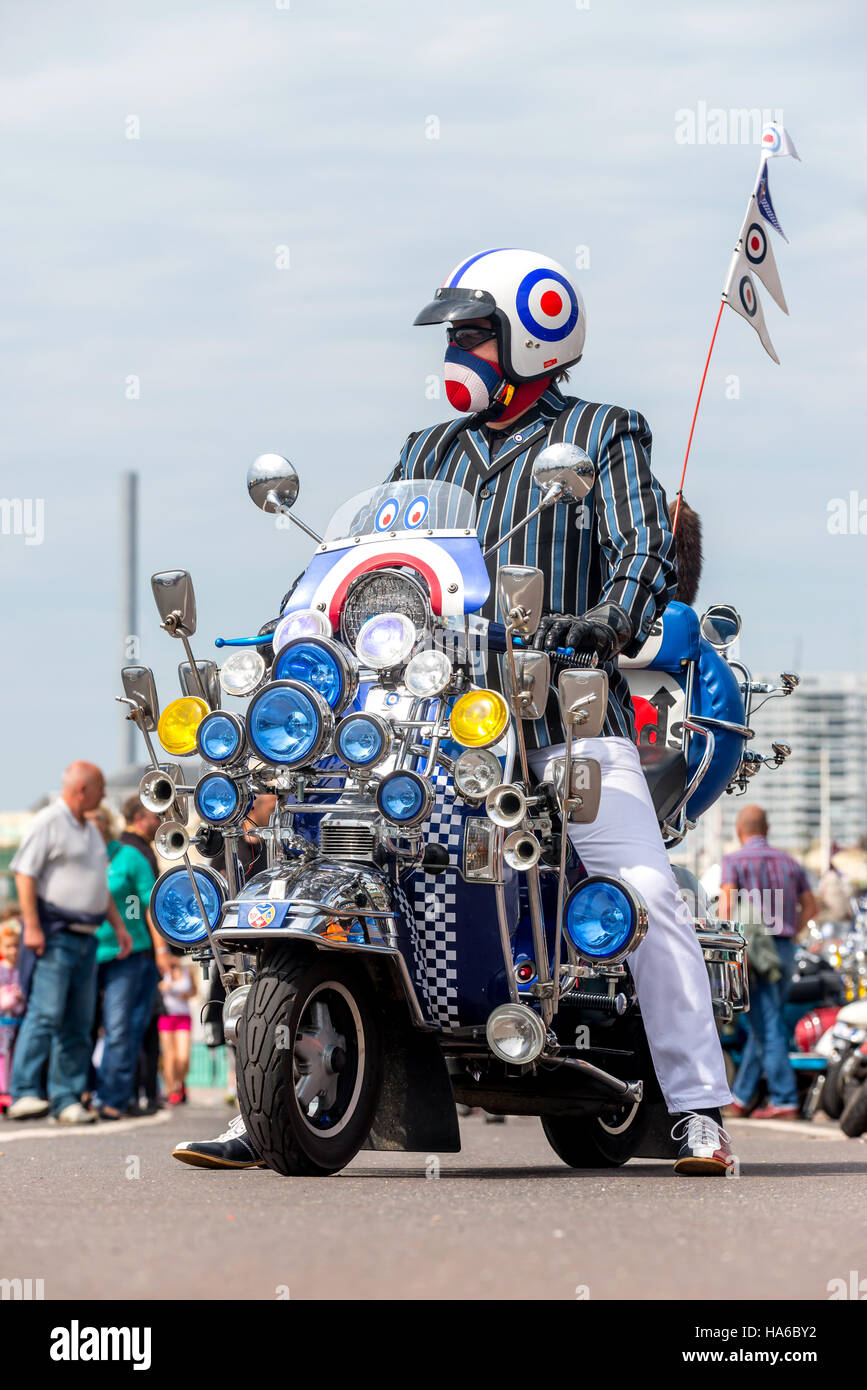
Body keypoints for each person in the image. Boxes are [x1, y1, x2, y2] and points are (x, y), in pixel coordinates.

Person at [179, 249, 736, 1173]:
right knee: (290, 846)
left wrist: (601, 621)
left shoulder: (603, 434)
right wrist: (290, 626)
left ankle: (695, 1109)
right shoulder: (426, 451)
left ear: (531, 336)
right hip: (415, 718)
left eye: (471, 333)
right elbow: (364, 559)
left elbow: (640, 550)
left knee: (643, 892)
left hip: (557, 707)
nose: (457, 349)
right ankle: (270, 1098)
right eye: (454, 335)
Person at [7, 762, 133, 1124]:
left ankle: (66, 1099)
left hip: (86, 939)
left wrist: (119, 926)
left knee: (79, 1023)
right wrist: (31, 926)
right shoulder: (50, 821)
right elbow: (24, 873)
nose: (104, 795)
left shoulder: (90, 831)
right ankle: (25, 1093)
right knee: (45, 1015)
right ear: (82, 789)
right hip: (55, 935)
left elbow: (99, 888)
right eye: (100, 788)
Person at [720, 804, 819, 1119]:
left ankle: (784, 1099)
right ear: (767, 829)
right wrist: (790, 934)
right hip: (786, 950)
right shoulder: (790, 862)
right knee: (766, 1022)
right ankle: (741, 1098)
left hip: (753, 950)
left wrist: (732, 951)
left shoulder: (734, 861)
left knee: (767, 1025)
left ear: (740, 831)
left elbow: (726, 908)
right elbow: (812, 907)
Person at [93, 796, 162, 1120]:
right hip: (87, 953)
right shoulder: (79, 858)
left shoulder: (130, 857)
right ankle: (80, 1092)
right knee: (82, 1028)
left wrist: (162, 952)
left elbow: (152, 907)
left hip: (130, 953)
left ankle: (114, 1098)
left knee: (122, 1028)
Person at [158, 958, 196, 1105]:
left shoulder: (187, 971)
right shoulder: (163, 970)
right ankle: (172, 1088)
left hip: (183, 1017)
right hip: (167, 1016)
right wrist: (164, 986)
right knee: (170, 1056)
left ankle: (180, 1081)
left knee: (183, 1056)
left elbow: (194, 991)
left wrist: (187, 995)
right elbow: (157, 987)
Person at [0, 911, 26, 1108]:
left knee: (15, 1056)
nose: (13, 951)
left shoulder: (22, 970)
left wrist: (20, 997)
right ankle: (2, 1090)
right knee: (2, 1057)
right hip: (2, 1024)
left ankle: (12, 1090)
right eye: (8, 946)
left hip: (18, 1023)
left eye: (17, 946)